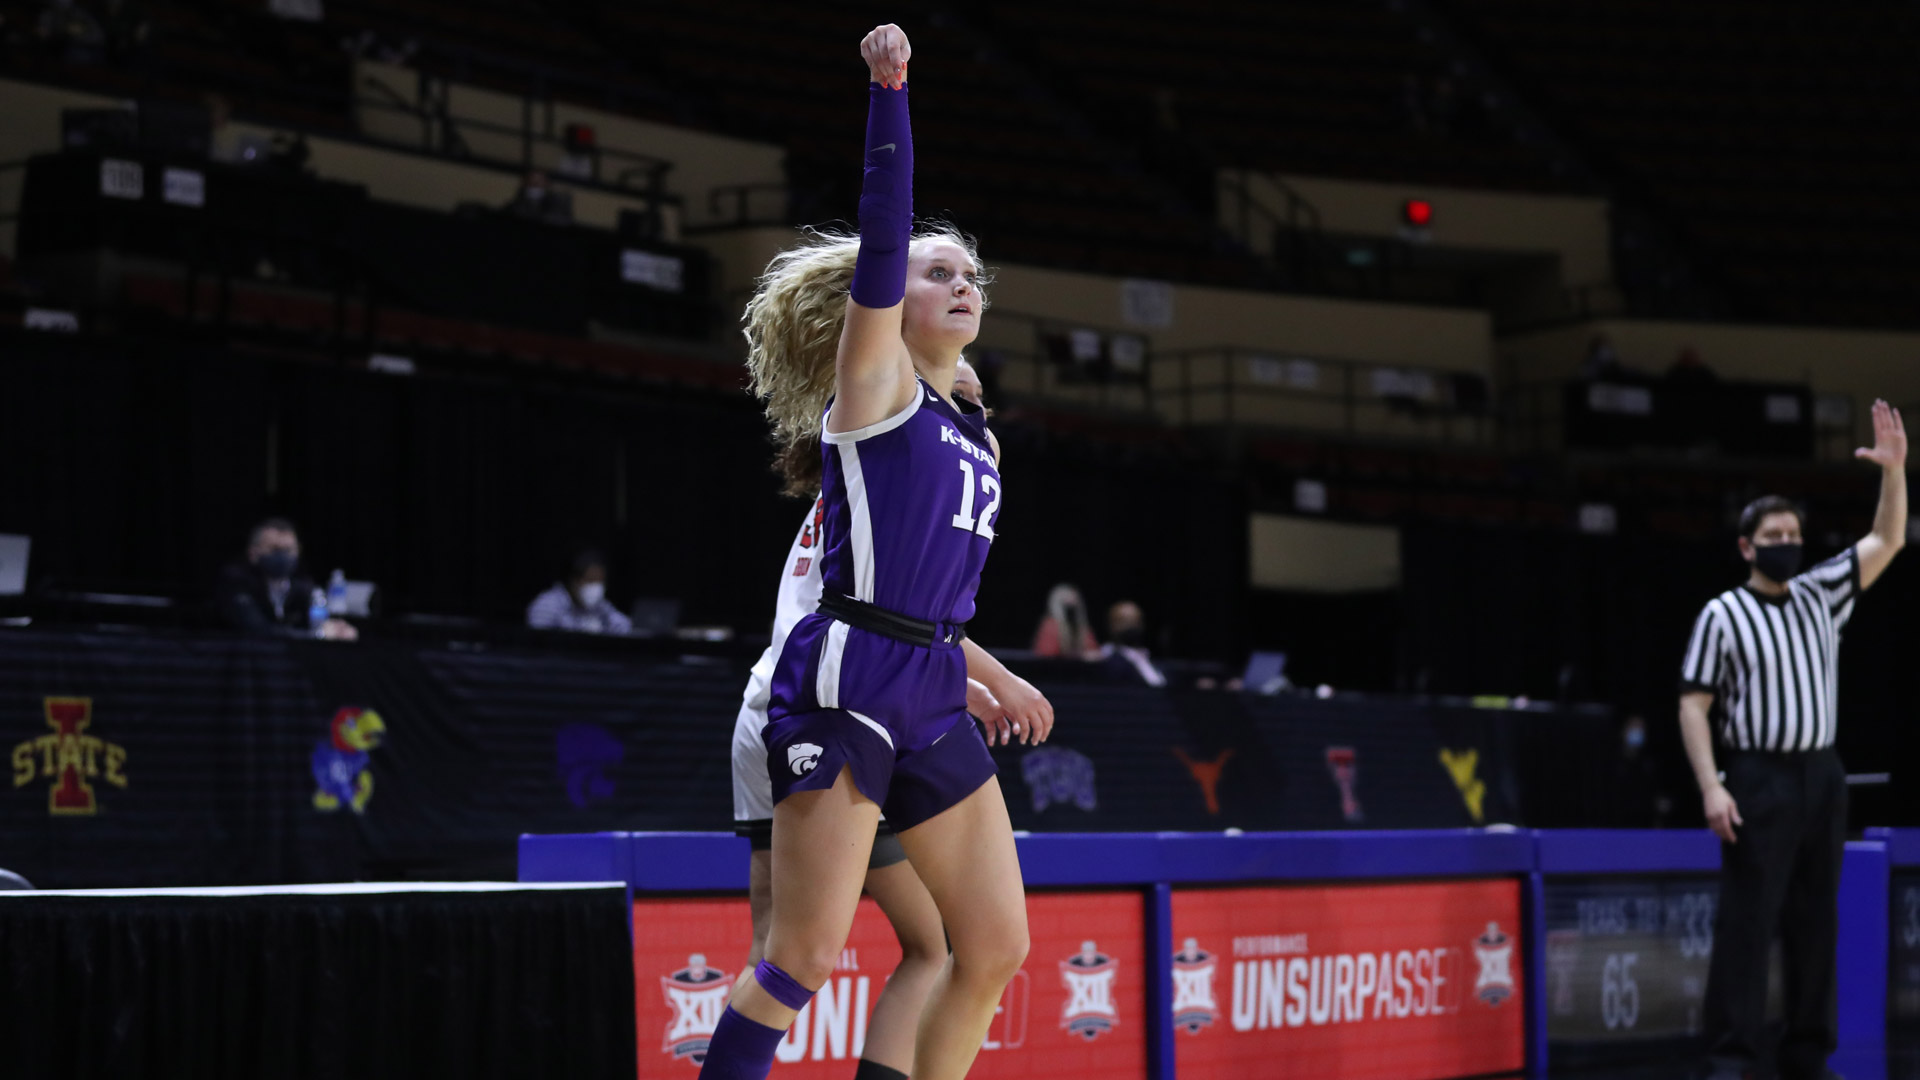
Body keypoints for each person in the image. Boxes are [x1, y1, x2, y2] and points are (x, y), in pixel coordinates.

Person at [699, 26, 1054, 1080]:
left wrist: (983, 671)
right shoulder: (877, 387)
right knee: (803, 953)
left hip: (932, 676)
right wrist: (890, 94)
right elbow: (887, 234)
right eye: (938, 270)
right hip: (850, 672)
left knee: (989, 947)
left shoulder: (978, 431)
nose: (963, 282)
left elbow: (937, 581)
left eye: (973, 275)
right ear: (893, 297)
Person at [729, 358, 1031, 1080]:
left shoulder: (899, 474)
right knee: (793, 954)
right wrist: (987, 677)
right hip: (816, 701)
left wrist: (959, 677)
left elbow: (923, 622)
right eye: (960, 394)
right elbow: (884, 618)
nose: (971, 413)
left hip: (853, 700)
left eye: (979, 400)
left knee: (934, 946)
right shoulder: (883, 465)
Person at [1679, 401, 1906, 1080]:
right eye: (1773, 533)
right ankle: (1732, 1058)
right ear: (1747, 547)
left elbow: (1887, 541)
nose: (1787, 541)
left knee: (1816, 924)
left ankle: (1808, 1055)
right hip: (1757, 776)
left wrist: (1894, 473)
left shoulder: (1820, 594)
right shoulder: (1722, 613)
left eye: (1794, 532)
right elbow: (1693, 703)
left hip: (1822, 776)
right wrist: (1711, 785)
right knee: (1749, 924)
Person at [214, 517, 357, 640]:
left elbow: (318, 623)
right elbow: (258, 631)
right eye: (275, 549)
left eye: (288, 550)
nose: (282, 556)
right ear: (253, 553)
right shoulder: (235, 583)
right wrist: (316, 635)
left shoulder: (303, 587)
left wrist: (338, 631)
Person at [526, 549, 631, 634]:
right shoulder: (548, 604)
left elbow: (624, 625)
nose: (596, 587)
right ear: (574, 581)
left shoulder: (599, 606)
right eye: (591, 580)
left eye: (600, 582)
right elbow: (538, 644)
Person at [1096, 600, 1167, 687]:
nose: (1130, 626)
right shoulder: (1105, 657)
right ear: (1110, 624)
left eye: (1135, 621)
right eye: (1123, 621)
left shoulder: (1151, 658)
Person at [1031, 583, 1098, 659]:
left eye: (1073, 604)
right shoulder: (1050, 626)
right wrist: (1079, 655)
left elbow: (1093, 649)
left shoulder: (1082, 628)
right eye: (1067, 605)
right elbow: (1046, 654)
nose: (1071, 610)